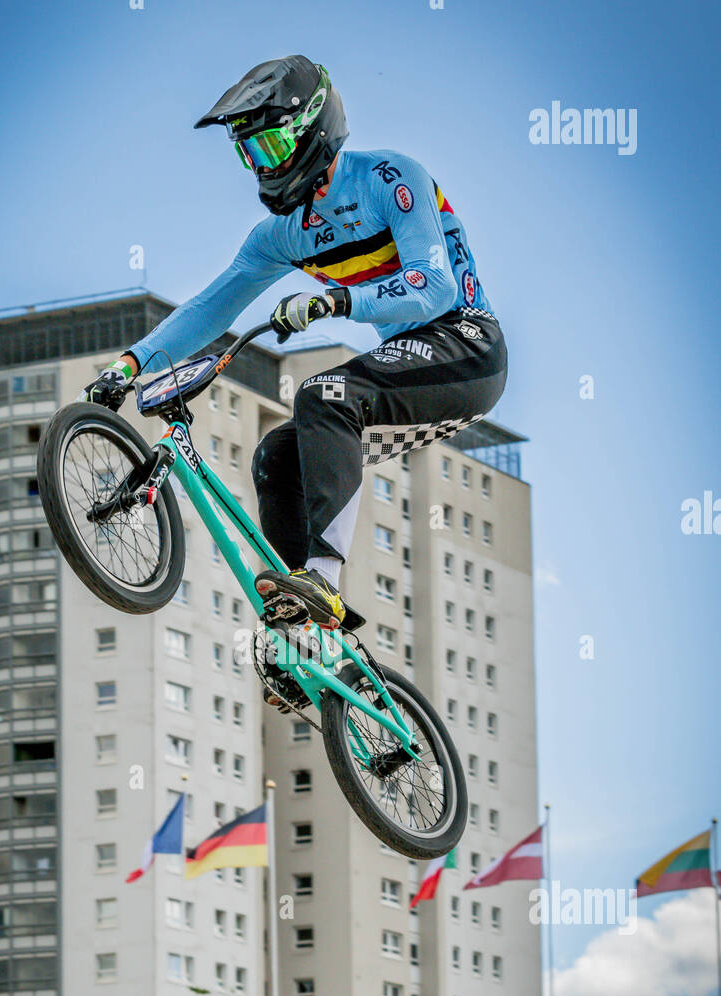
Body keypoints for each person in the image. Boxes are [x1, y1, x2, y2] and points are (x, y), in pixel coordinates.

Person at [82, 55, 506, 706]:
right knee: (278, 455)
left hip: (466, 346)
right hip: (411, 372)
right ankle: (299, 638)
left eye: (275, 142)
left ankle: (323, 577)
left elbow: (432, 285)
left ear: (317, 128)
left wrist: (341, 304)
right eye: (250, 152)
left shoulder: (391, 177)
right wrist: (130, 363)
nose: (266, 164)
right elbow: (210, 308)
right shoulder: (281, 235)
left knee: (323, 393)